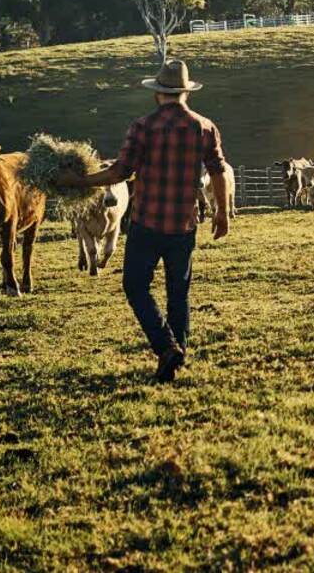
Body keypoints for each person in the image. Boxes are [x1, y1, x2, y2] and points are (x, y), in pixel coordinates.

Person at [59, 59, 229, 382]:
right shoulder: (204, 127)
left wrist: (79, 183)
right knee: (178, 292)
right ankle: (176, 356)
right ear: (185, 93)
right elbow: (219, 170)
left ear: (158, 94)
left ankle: (166, 348)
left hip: (147, 223)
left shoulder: (142, 127)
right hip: (183, 225)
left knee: (135, 285)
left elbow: (120, 172)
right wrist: (222, 212)